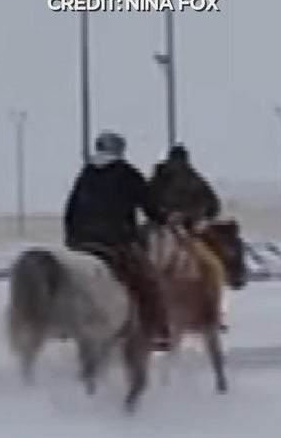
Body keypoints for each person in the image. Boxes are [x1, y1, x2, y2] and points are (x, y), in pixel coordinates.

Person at [63, 130, 171, 349]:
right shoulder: (127, 173)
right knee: (148, 281)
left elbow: (70, 210)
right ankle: (158, 330)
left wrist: (73, 240)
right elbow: (148, 204)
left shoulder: (86, 174)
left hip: (82, 243)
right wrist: (161, 218)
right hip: (117, 240)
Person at [147, 143, 229, 294]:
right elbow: (213, 205)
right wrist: (196, 217)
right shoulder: (193, 178)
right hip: (185, 229)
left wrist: (160, 216)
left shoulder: (158, 178)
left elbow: (147, 201)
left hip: (158, 229)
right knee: (211, 265)